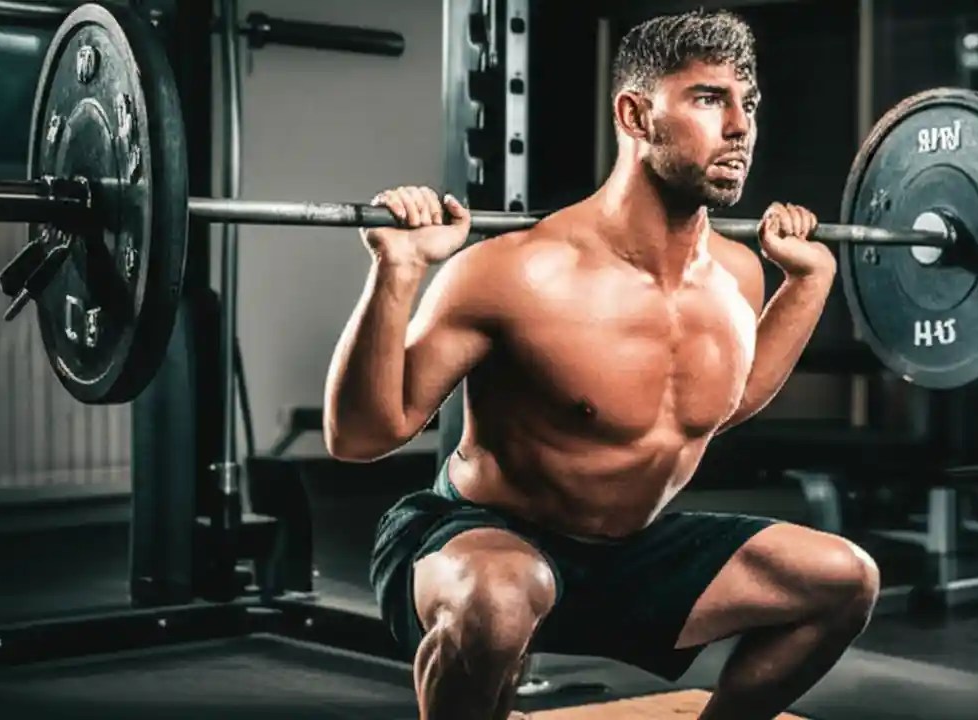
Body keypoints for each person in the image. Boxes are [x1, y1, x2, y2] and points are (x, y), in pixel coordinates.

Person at [323, 9, 880, 720]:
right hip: (479, 542)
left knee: (844, 578)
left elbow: (722, 405)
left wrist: (808, 286)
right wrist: (396, 275)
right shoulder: (515, 272)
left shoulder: (738, 274)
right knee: (499, 596)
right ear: (636, 113)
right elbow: (362, 437)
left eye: (750, 104)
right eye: (710, 99)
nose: (741, 126)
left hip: (628, 553)